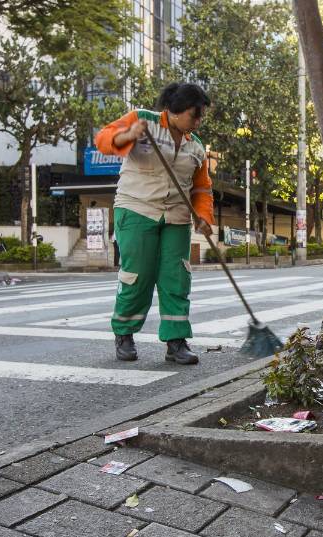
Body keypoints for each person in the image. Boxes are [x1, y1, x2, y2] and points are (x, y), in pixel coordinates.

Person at [94, 83, 215, 364]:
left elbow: (202, 189)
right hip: (136, 209)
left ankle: (176, 341)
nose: (198, 121)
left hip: (176, 217)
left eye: (200, 116)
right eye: (193, 115)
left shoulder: (195, 146)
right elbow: (104, 138)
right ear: (174, 111)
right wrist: (128, 134)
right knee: (138, 274)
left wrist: (203, 217)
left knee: (177, 276)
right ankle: (124, 333)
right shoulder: (142, 120)